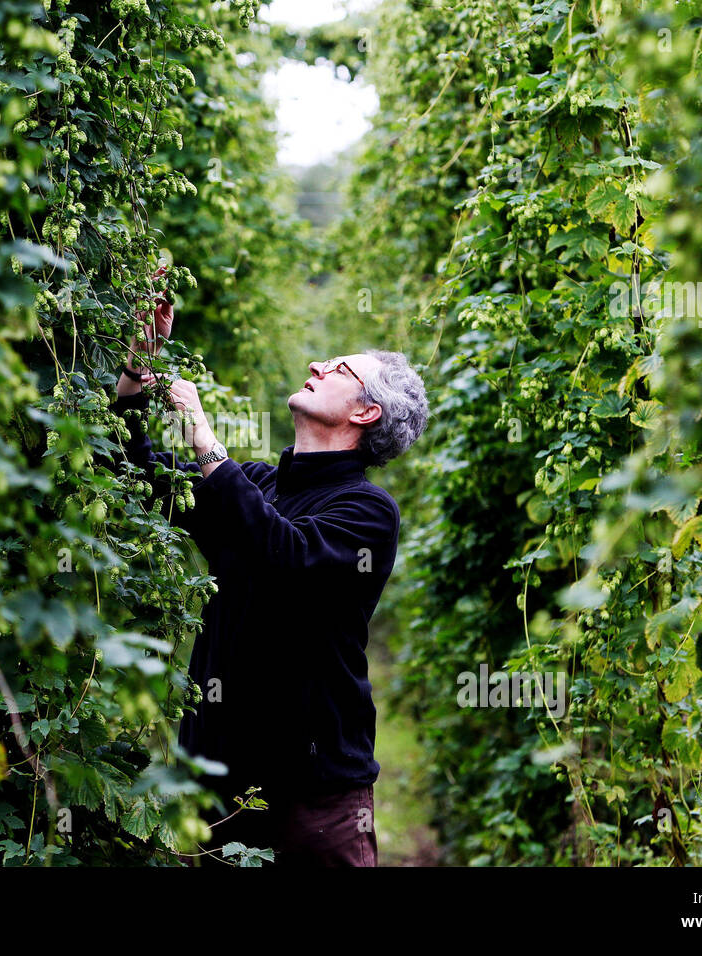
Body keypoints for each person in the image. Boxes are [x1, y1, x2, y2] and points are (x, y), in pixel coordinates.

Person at [110, 268, 429, 866]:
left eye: (340, 370)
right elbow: (144, 478)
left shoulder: (367, 512)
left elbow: (284, 555)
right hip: (218, 783)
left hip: (313, 796)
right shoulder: (258, 484)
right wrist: (136, 369)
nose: (317, 365)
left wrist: (205, 439)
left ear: (366, 413)